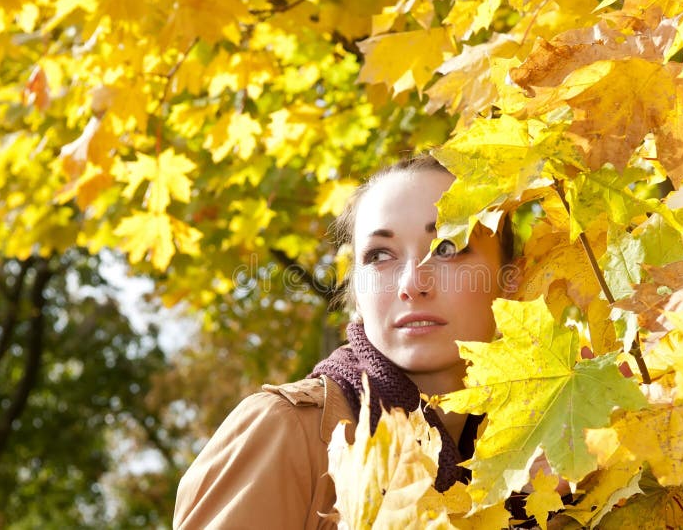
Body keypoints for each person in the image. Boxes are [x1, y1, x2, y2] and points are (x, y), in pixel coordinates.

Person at [173, 155, 519, 529]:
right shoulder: (286, 432)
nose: (411, 284)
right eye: (380, 255)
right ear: (356, 290)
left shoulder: (540, 463)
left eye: (448, 247)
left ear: (512, 279)